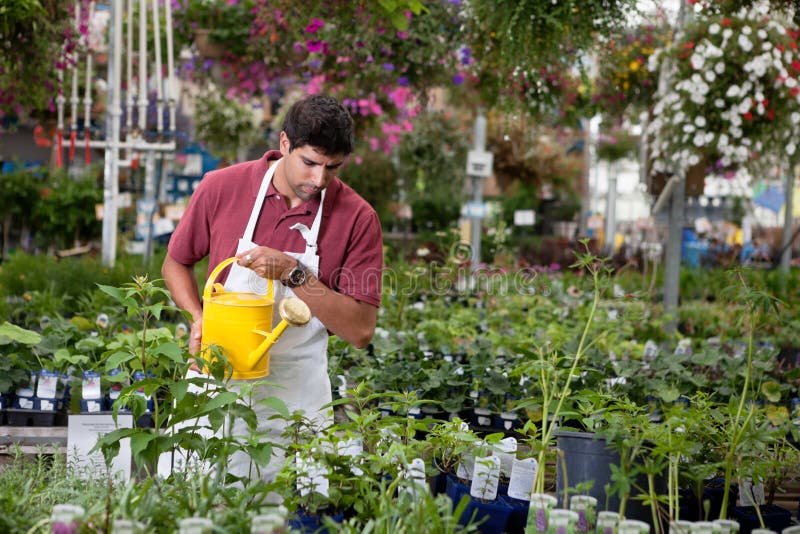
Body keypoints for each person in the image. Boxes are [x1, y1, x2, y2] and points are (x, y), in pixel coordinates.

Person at [161, 94, 383, 479]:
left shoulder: (357, 218)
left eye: (332, 168)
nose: (319, 180)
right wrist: (198, 318)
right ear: (284, 143)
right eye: (310, 163)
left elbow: (361, 331)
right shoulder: (222, 187)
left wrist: (295, 273)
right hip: (216, 378)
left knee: (285, 503)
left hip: (296, 398)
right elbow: (175, 262)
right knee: (190, 494)